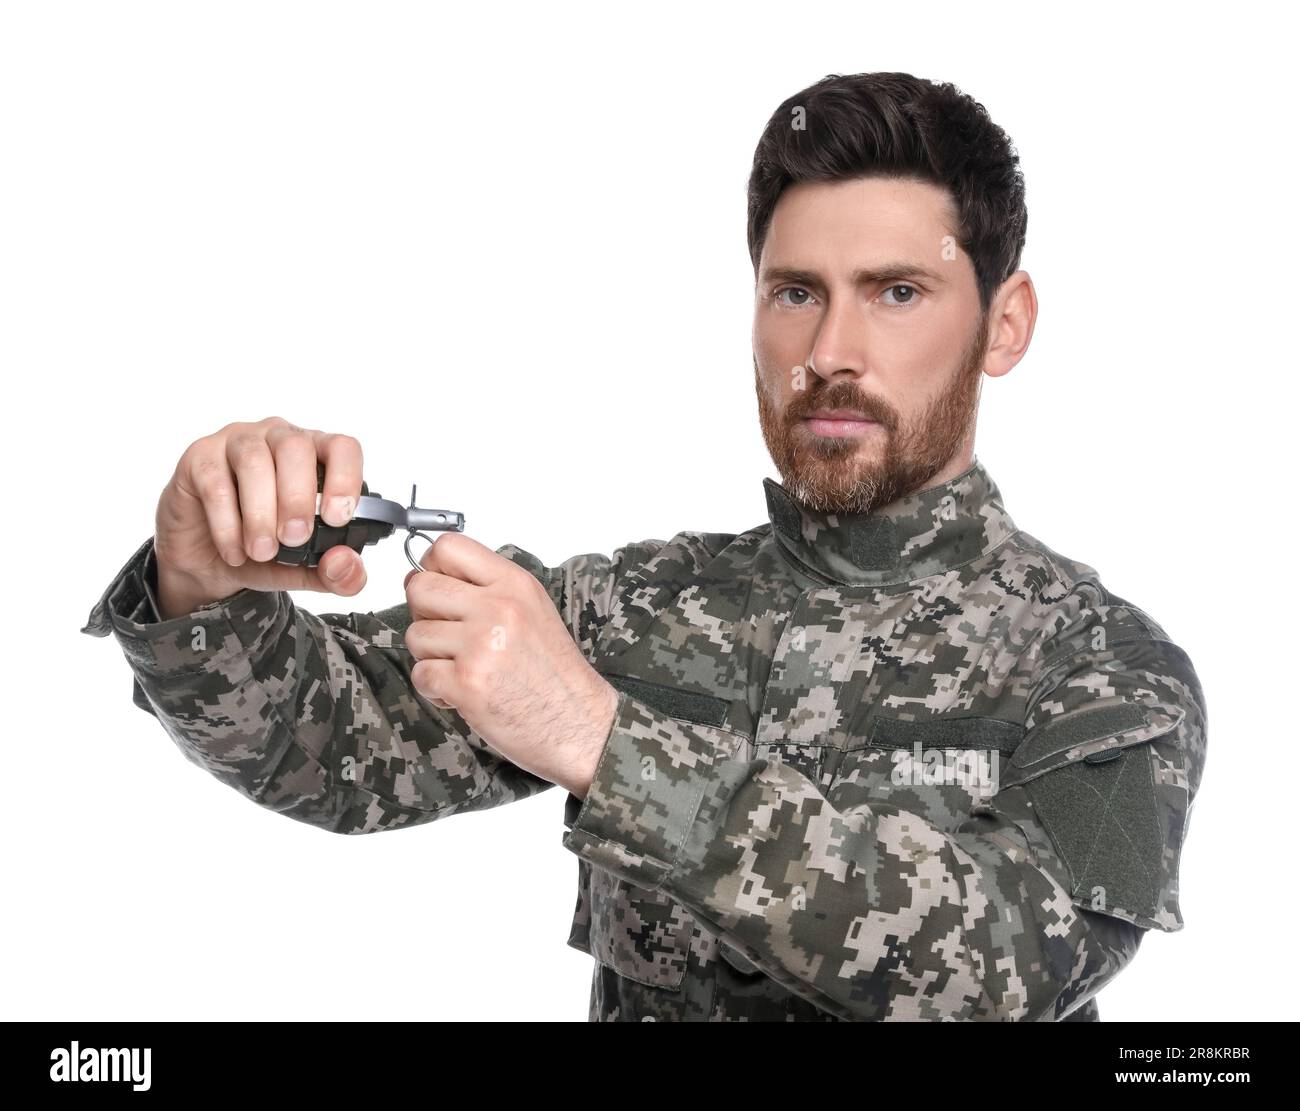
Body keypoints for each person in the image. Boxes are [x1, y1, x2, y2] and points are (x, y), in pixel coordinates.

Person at [82, 71, 1206, 1022]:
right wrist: (197, 576)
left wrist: (599, 738)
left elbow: (1013, 959)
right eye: (794, 292)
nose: (831, 349)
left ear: (1003, 323)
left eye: (896, 292)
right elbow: (322, 748)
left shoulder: (1101, 664)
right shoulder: (633, 609)